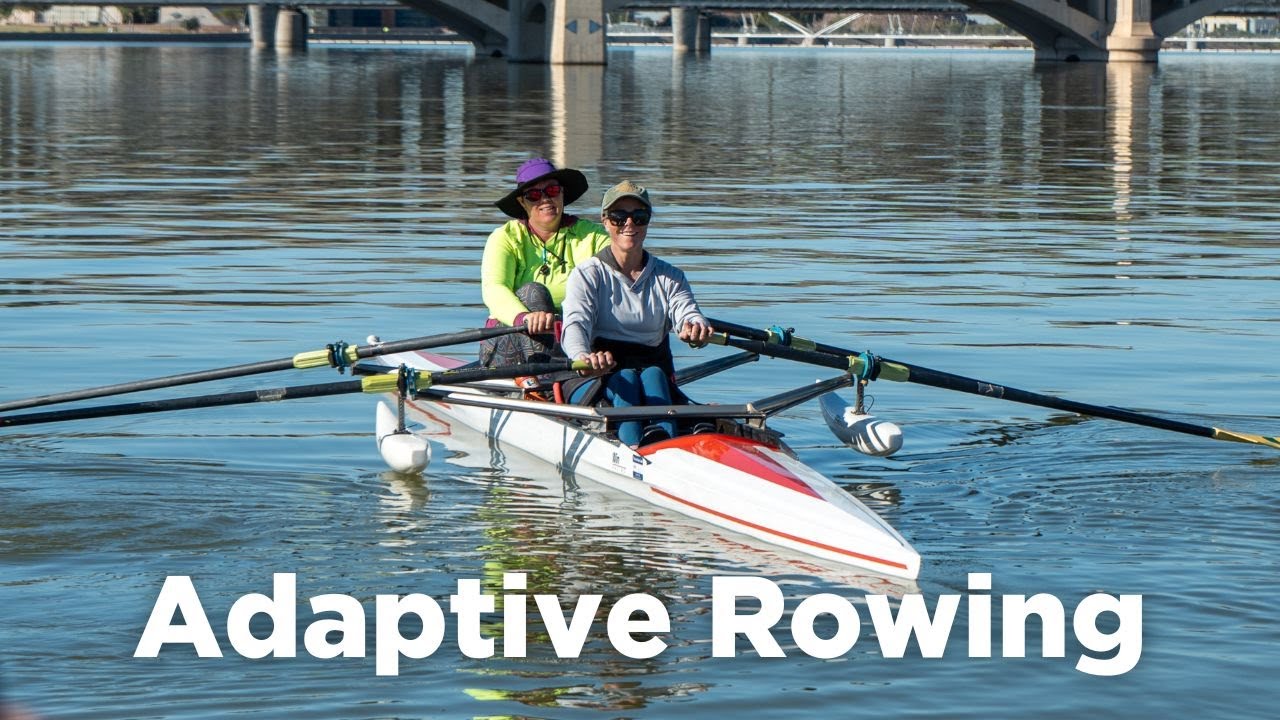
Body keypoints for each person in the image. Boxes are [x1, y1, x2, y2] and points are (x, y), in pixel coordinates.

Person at [560, 180, 714, 447]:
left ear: (647, 222)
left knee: (653, 375)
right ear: (605, 221)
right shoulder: (588, 274)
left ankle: (663, 446)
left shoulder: (670, 276)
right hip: (594, 376)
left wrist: (695, 326)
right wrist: (582, 357)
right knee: (627, 378)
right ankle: (636, 447)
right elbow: (575, 324)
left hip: (653, 376)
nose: (629, 224)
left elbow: (686, 311)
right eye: (619, 216)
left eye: (639, 216)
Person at [479, 158, 610, 367]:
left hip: (572, 344)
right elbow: (494, 289)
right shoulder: (505, 238)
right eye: (533, 195)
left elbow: (623, 266)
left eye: (552, 190)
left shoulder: (593, 236)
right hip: (509, 344)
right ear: (522, 202)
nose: (545, 199)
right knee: (534, 292)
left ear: (562, 193)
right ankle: (540, 378)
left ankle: (562, 375)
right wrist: (524, 318)